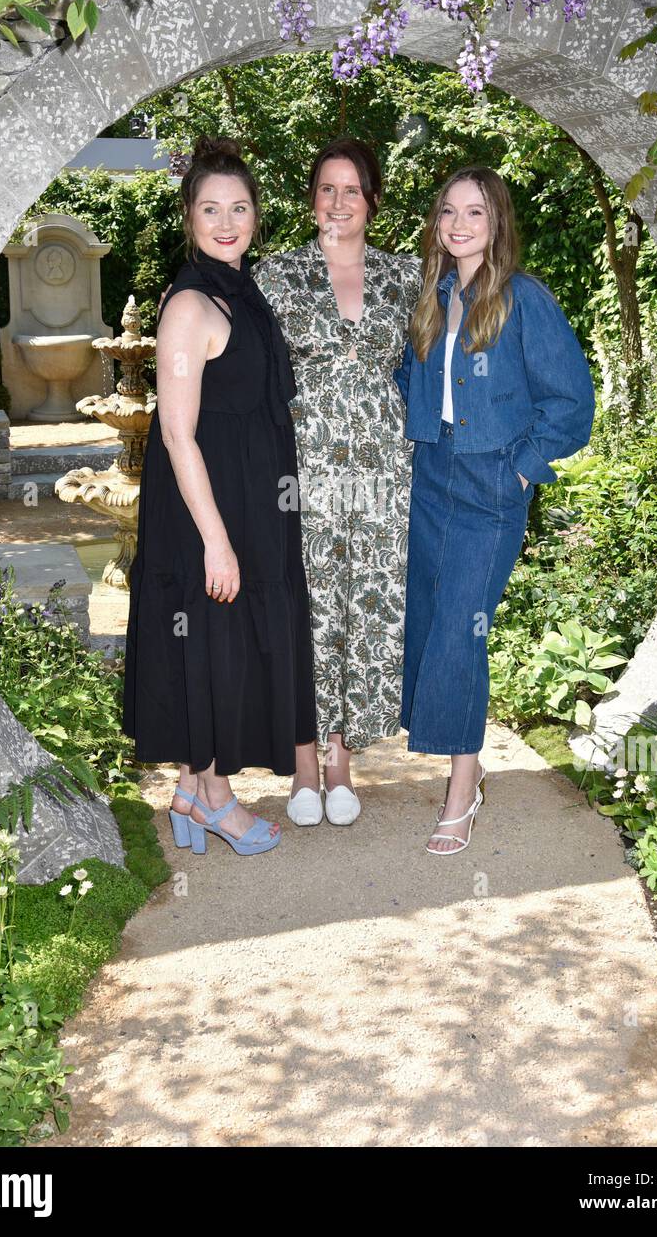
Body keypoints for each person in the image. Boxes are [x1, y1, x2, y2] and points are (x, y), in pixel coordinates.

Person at [121, 136, 317, 856]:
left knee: (218, 642)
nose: (227, 221)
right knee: (204, 642)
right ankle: (215, 800)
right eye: (211, 208)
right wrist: (216, 538)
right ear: (188, 215)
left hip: (250, 501)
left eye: (239, 207)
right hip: (206, 508)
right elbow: (175, 434)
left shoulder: (242, 288)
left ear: (256, 215)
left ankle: (186, 789)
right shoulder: (189, 307)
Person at [394, 165, 595, 855]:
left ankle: (460, 793)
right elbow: (408, 378)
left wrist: (519, 469)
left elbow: (571, 403)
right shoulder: (433, 296)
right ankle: (466, 766)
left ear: (497, 222)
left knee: (459, 629)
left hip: (490, 485)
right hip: (432, 476)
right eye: (447, 210)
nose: (457, 224)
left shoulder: (522, 299)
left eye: (473, 213)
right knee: (427, 619)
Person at [253, 138, 421, 828]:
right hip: (303, 461)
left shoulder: (406, 275)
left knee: (365, 601)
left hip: (381, 464)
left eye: (352, 189)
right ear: (311, 199)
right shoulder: (276, 274)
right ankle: (301, 766)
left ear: (372, 201)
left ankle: (344, 763)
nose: (338, 202)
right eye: (327, 188)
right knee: (306, 603)